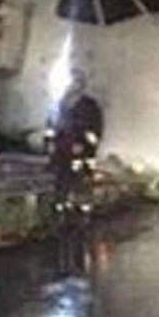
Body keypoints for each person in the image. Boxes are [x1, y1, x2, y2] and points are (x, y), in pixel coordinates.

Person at [49, 69, 102, 216]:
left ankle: (81, 209)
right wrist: (53, 143)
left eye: (75, 81)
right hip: (63, 152)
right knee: (62, 180)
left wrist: (85, 145)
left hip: (82, 153)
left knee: (81, 180)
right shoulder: (61, 103)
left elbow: (95, 130)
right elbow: (54, 125)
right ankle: (61, 207)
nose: (72, 85)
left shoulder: (89, 105)